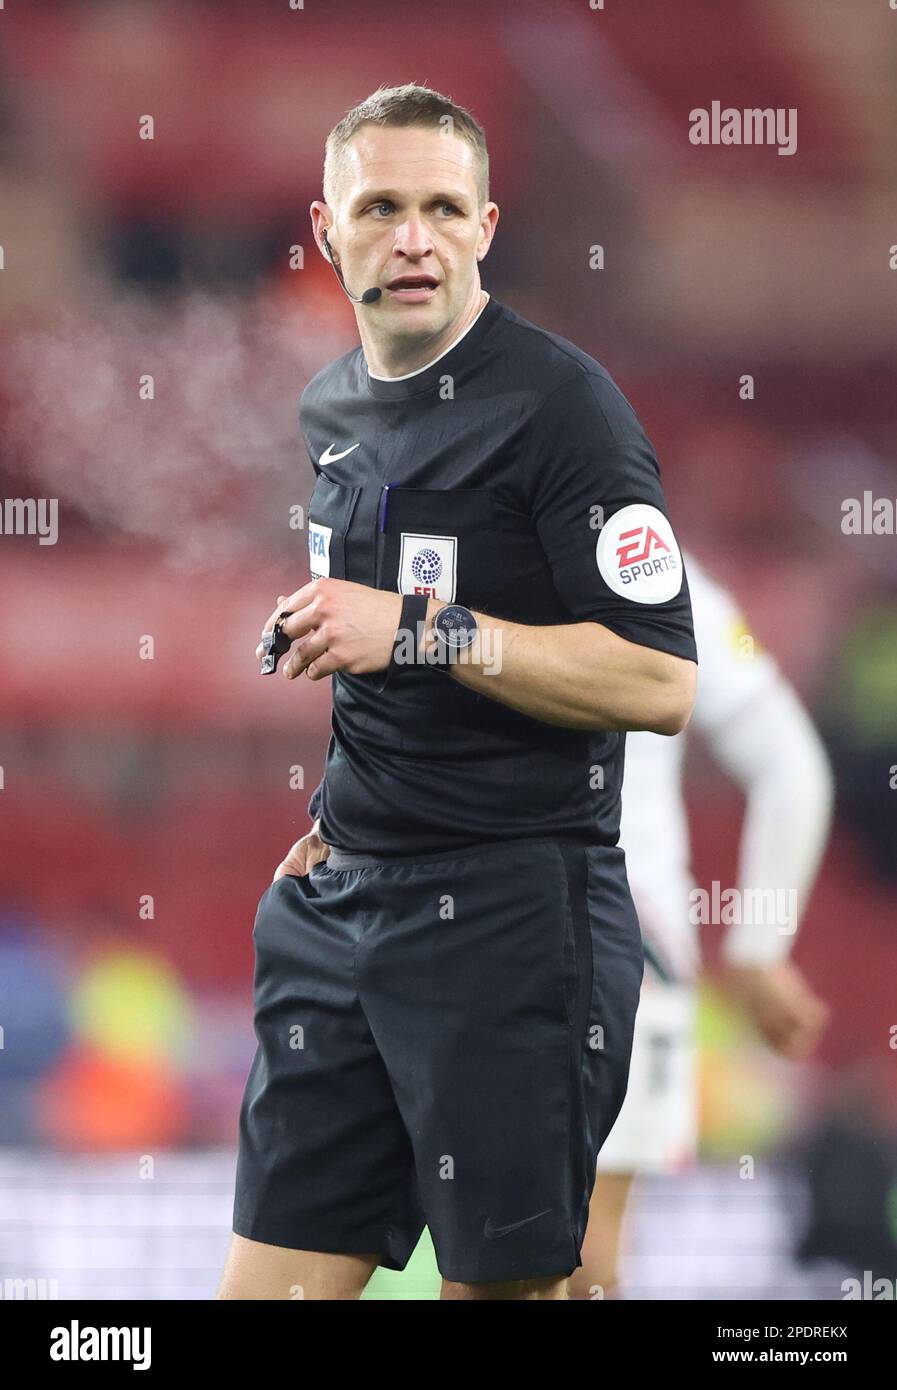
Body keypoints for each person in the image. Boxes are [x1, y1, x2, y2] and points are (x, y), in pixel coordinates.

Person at [217, 83, 697, 1301]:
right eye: (381, 206)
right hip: (342, 912)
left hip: (509, 923)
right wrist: (346, 807)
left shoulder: (564, 409)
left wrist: (423, 632)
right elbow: (375, 653)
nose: (413, 236)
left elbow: (659, 676)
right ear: (327, 230)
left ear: (487, 228)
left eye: (443, 207)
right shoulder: (330, 409)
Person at [567, 552, 833, 1300]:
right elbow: (790, 761)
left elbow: (790, 767)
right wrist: (756, 951)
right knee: (580, 1255)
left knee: (557, 1251)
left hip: (555, 943)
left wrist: (755, 948)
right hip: (626, 942)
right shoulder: (664, 574)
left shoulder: (439, 563)